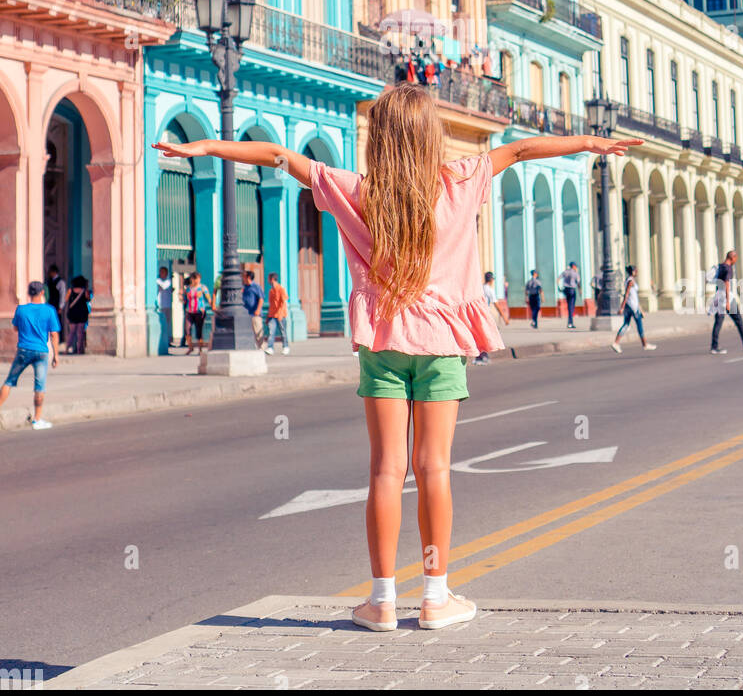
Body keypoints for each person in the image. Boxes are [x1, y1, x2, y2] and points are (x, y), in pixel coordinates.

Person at [155, 85, 642, 632]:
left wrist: (207, 146)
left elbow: (277, 155)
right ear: (428, 134)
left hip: (384, 346)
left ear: (381, 140)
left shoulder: (355, 190)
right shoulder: (460, 181)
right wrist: (592, 143)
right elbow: (524, 150)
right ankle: (436, 597)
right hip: (440, 347)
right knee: (434, 468)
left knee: (386, 470)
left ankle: (382, 600)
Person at [0, 280, 61, 429]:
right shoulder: (49, 310)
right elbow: (54, 334)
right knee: (40, 386)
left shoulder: (21, 309)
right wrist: (56, 356)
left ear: (28, 293)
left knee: (9, 381)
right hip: (41, 352)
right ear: (42, 293)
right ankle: (37, 420)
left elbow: (15, 328)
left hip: (24, 350)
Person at [709, 250, 743, 355]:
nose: (736, 261)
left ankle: (714, 346)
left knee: (718, 322)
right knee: (739, 321)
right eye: (736, 259)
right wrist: (727, 301)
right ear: (733, 258)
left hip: (719, 297)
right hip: (727, 299)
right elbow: (727, 284)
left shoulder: (720, 266)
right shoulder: (728, 268)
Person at [611, 265, 656, 353]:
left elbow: (633, 296)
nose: (637, 272)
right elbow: (627, 295)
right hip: (632, 307)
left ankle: (616, 343)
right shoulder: (631, 281)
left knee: (626, 324)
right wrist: (622, 307)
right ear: (633, 272)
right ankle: (645, 344)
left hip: (631, 306)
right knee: (639, 325)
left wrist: (640, 308)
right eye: (636, 270)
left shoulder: (629, 280)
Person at [184, 272, 212, 355]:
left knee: (199, 330)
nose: (197, 280)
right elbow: (186, 299)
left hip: (199, 311)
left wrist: (212, 305)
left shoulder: (202, 288)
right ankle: (190, 347)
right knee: (187, 329)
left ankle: (200, 349)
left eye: (198, 279)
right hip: (189, 311)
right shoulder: (188, 289)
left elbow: (208, 297)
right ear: (191, 279)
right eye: (195, 279)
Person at [266, 272, 291, 356]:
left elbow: (283, 302)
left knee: (283, 331)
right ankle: (270, 347)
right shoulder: (271, 291)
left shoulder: (281, 289)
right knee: (271, 331)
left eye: (269, 279)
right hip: (272, 315)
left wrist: (280, 313)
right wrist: (267, 316)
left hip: (281, 314)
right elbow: (271, 304)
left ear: (272, 279)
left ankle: (285, 347)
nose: (268, 280)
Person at [46, 264, 68, 350]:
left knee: (57, 322)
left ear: (54, 272)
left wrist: (61, 306)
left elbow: (62, 294)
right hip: (50, 305)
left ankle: (60, 340)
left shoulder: (60, 282)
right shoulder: (49, 281)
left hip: (56, 306)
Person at [66, 275, 90, 354]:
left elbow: (66, 299)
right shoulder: (84, 291)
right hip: (82, 313)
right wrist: (86, 287)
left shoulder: (70, 290)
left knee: (72, 332)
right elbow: (88, 299)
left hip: (73, 313)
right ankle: (80, 350)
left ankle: (67, 348)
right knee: (80, 333)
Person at [242, 270, 266, 348]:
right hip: (246, 314)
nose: (243, 278)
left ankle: (262, 347)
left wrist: (258, 309)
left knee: (258, 331)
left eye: (244, 276)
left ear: (248, 277)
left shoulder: (256, 287)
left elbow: (261, 299)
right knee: (248, 332)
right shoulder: (244, 287)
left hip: (255, 314)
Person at [559, 261, 582, 330]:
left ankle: (570, 322)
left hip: (566, 290)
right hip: (572, 290)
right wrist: (580, 290)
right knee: (571, 306)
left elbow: (558, 278)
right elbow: (578, 282)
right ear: (574, 266)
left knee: (569, 305)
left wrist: (559, 287)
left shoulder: (565, 272)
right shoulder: (575, 273)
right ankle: (570, 323)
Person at [156, 265, 173, 330]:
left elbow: (163, 286)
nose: (161, 273)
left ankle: (168, 336)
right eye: (160, 272)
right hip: (160, 305)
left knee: (167, 322)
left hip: (167, 305)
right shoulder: (158, 280)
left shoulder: (168, 281)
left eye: (163, 272)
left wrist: (156, 280)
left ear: (166, 273)